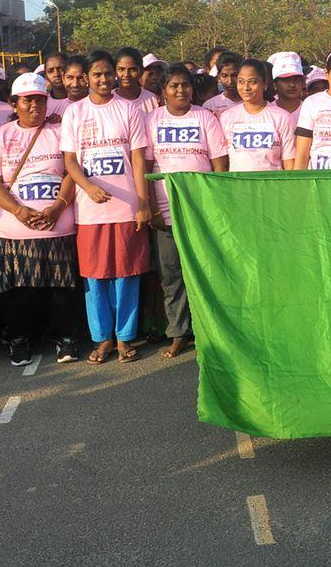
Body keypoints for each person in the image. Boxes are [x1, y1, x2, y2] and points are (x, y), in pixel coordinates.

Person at [0, 73, 81, 366]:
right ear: (14, 103)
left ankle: (65, 339)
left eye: (40, 100)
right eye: (28, 101)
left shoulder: (59, 133)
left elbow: (70, 173)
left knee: (61, 290)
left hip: (57, 226)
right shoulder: (2, 135)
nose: (35, 106)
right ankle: (19, 339)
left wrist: (58, 206)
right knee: (18, 292)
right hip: (13, 230)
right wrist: (19, 211)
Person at [61, 50, 153, 364]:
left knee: (127, 275)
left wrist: (142, 203)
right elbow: (70, 161)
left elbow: (139, 159)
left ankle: (125, 338)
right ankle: (102, 339)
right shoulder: (74, 113)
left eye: (107, 74)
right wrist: (88, 187)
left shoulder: (129, 110)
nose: (103, 80)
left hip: (126, 207)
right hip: (89, 211)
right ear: (86, 78)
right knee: (95, 277)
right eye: (97, 74)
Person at [146, 62, 228, 358]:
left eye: (185, 85)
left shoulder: (205, 117)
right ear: (163, 92)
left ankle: (209, 330)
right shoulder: (152, 119)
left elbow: (219, 162)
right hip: (167, 211)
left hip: (200, 210)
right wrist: (151, 206)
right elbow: (144, 164)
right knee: (171, 275)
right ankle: (178, 332)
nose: (181, 90)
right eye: (174, 86)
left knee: (206, 271)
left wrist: (214, 204)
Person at [219, 62, 299, 172]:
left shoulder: (282, 118)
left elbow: (289, 163)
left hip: (271, 186)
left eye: (252, 82)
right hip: (238, 186)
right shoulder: (227, 117)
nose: (246, 88)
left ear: (265, 84)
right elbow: (222, 163)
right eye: (241, 82)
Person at [113, 47, 160, 115]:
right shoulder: (108, 99)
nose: (126, 74)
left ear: (141, 71)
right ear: (114, 71)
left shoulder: (152, 99)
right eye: (121, 69)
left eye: (132, 69)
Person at [203, 51, 243, 115]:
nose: (230, 81)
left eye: (234, 75)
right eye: (224, 76)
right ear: (218, 77)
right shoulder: (211, 106)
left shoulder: (252, 103)